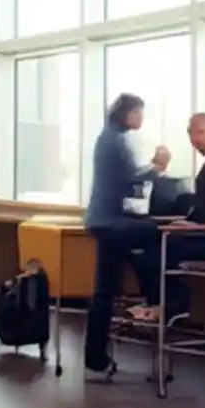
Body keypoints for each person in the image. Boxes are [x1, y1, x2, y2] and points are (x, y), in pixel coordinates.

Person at [131, 112, 205, 323]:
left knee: (152, 252)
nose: (195, 140)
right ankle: (166, 303)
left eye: (200, 132)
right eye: (191, 135)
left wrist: (187, 225)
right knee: (162, 245)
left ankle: (169, 305)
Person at [83, 93, 171, 373]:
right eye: (139, 113)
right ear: (128, 113)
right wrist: (158, 166)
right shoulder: (118, 141)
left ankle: (96, 355)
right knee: (158, 234)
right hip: (113, 223)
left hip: (104, 220)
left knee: (105, 289)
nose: (141, 119)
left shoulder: (108, 137)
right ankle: (157, 300)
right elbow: (134, 178)